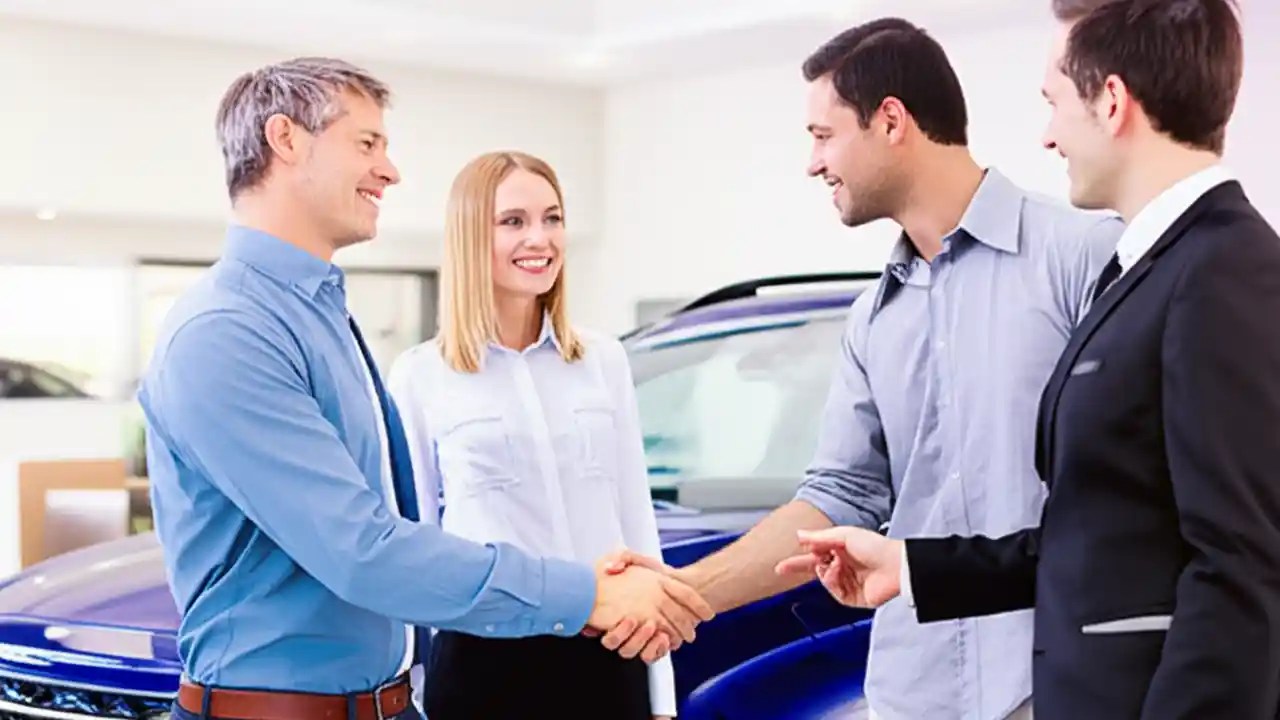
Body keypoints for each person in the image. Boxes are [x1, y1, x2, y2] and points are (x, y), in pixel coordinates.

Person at [137, 58, 712, 720]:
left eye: (552, 219)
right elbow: (364, 551)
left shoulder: (322, 316)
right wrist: (583, 594)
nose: (390, 170)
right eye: (367, 144)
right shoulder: (226, 332)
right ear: (286, 140)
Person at [608, 17, 1121, 720]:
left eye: (823, 135)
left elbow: (1143, 493)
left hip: (1056, 685)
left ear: (890, 121)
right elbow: (839, 495)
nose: (813, 163)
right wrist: (682, 588)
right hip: (913, 694)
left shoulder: (1083, 255)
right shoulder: (873, 320)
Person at [778, 1, 1280, 718]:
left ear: (1110, 103)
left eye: (1053, 102)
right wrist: (912, 567)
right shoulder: (1146, 272)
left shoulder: (1224, 269)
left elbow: (1245, 568)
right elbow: (1099, 538)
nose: (1045, 137)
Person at [386, 150, 676, 720]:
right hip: (481, 666)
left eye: (553, 218)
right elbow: (413, 547)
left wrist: (660, 689)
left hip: (609, 652)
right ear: (470, 235)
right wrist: (412, 693)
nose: (540, 238)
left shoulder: (603, 360)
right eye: (513, 221)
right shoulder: (420, 376)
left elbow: (636, 522)